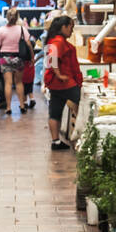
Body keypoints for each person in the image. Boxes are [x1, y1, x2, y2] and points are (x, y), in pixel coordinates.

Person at [43, 16, 83, 150]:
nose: (72, 31)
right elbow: (52, 58)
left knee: (54, 112)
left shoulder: (54, 41)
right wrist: (59, 74)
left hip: (56, 84)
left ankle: (55, 142)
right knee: (82, 103)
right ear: (63, 27)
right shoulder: (58, 42)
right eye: (71, 27)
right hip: (65, 84)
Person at [0, 9, 32, 116]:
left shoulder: (1, 30)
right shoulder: (22, 29)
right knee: (19, 82)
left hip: (4, 58)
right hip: (19, 58)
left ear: (7, 17)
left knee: (8, 83)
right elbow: (29, 45)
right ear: (17, 17)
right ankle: (22, 106)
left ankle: (8, 108)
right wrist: (32, 58)